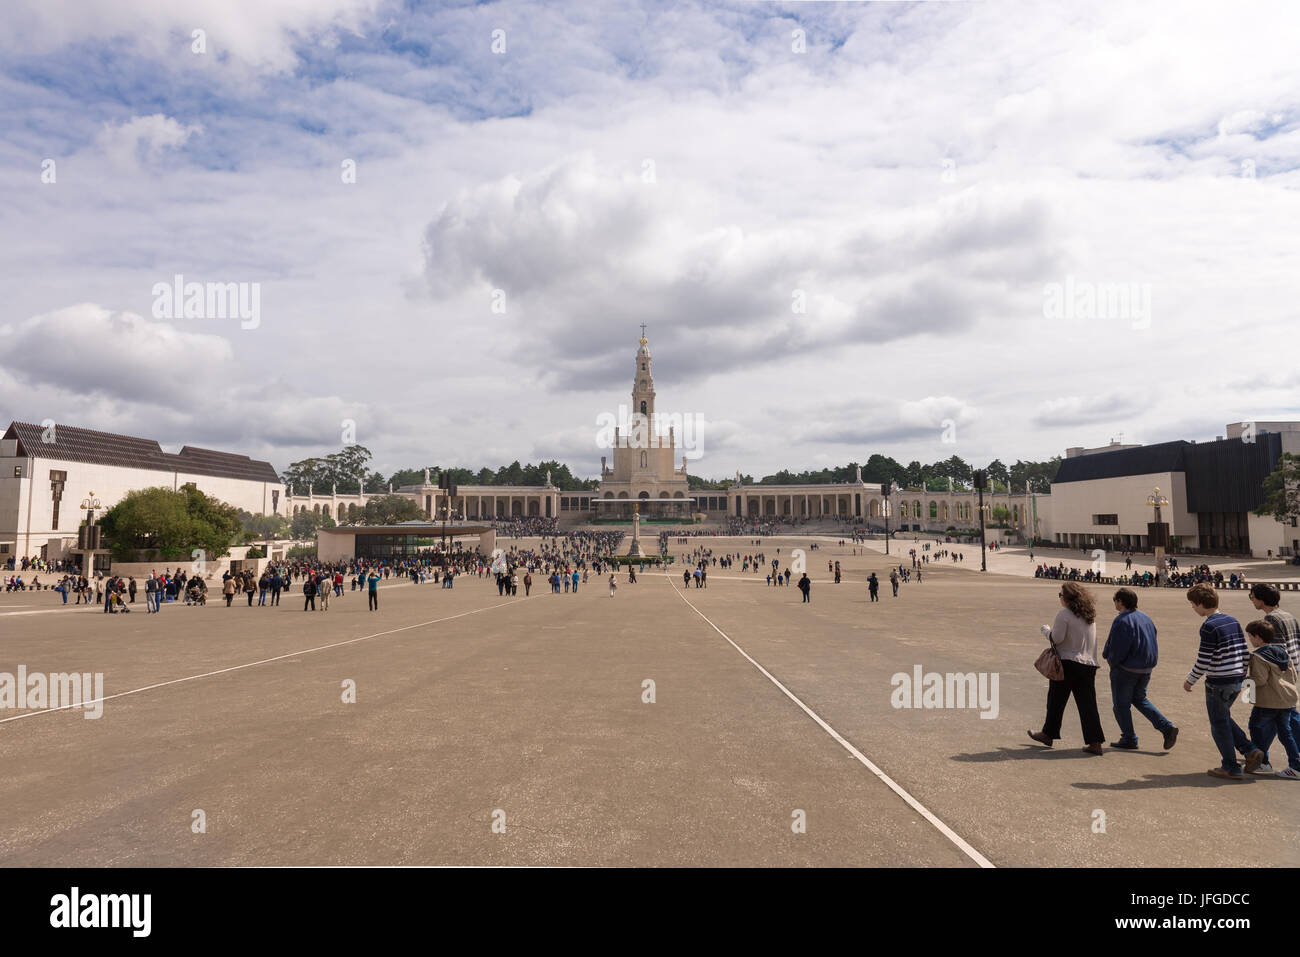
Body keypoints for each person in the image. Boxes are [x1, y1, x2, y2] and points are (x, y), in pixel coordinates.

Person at [1182, 583, 1262, 780]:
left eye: (1193, 604)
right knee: (1223, 718)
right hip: (1235, 679)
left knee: (1218, 724)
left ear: (1201, 604)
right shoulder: (1232, 620)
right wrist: (1242, 675)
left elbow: (1203, 660)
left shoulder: (1209, 626)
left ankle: (1230, 766)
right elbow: (1245, 653)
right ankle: (1249, 750)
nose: (1192, 608)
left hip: (1218, 682)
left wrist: (1190, 680)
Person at [1028, 582, 1105, 754]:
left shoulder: (1064, 614)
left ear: (1068, 598)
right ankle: (1095, 742)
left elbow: (1057, 638)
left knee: (1056, 700)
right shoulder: (1088, 614)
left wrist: (1046, 631)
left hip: (1068, 663)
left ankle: (1048, 734)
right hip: (1088, 664)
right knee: (1088, 705)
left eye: (1060, 595)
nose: (1059, 598)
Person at [1102, 588, 1177, 751]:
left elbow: (1117, 647)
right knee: (1139, 699)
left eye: (1115, 600)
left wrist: (1111, 661)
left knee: (1121, 705)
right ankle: (1166, 727)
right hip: (1146, 668)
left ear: (1120, 602)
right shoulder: (1145, 617)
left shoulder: (1122, 620)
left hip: (1126, 669)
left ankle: (1129, 738)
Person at [1249, 583, 1300, 768]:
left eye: (1252, 596)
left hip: (1277, 676)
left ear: (1262, 599)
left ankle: (1259, 756)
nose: (1252, 600)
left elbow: (1273, 652)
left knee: (1268, 720)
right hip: (1292, 670)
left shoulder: (1271, 619)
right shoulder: (1288, 615)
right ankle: (1260, 755)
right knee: (1286, 717)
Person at [1243, 620, 1300, 780]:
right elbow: (1294, 675)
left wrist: (1244, 681)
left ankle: (1263, 762)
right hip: (1287, 699)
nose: (1250, 640)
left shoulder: (1258, 656)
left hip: (1268, 701)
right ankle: (1296, 765)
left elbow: (1259, 680)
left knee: (1255, 727)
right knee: (1285, 733)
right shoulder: (1282, 652)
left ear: (1258, 637)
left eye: (1250, 637)